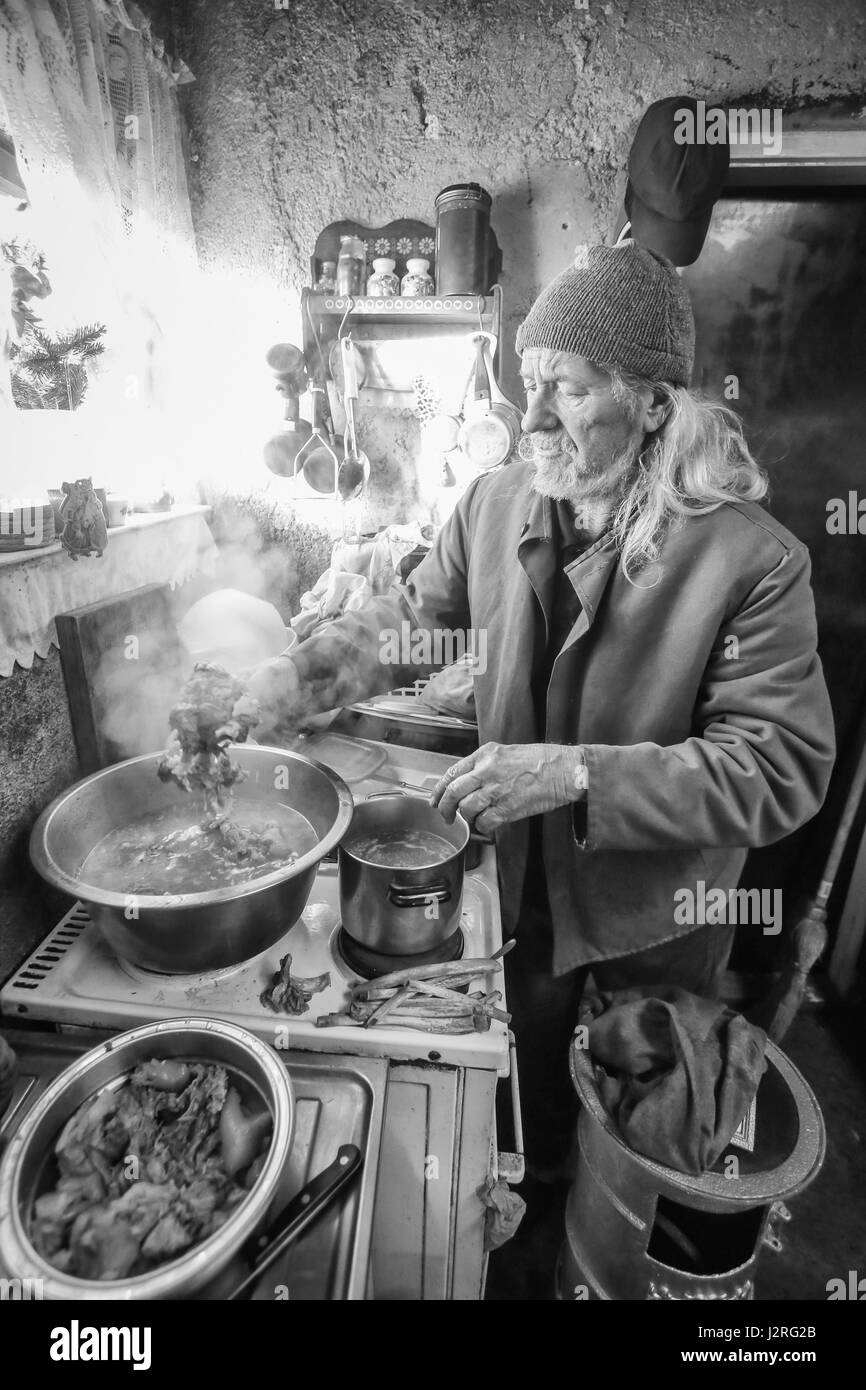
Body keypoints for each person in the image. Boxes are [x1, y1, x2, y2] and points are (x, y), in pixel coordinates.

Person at [248, 241, 835, 1171]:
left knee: (632, 1121)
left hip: (654, 916)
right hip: (518, 885)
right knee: (524, 1091)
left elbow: (777, 768)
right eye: (530, 381)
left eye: (567, 388)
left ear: (651, 404)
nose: (534, 415)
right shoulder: (494, 503)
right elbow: (412, 621)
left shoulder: (751, 561)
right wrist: (290, 682)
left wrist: (573, 773)